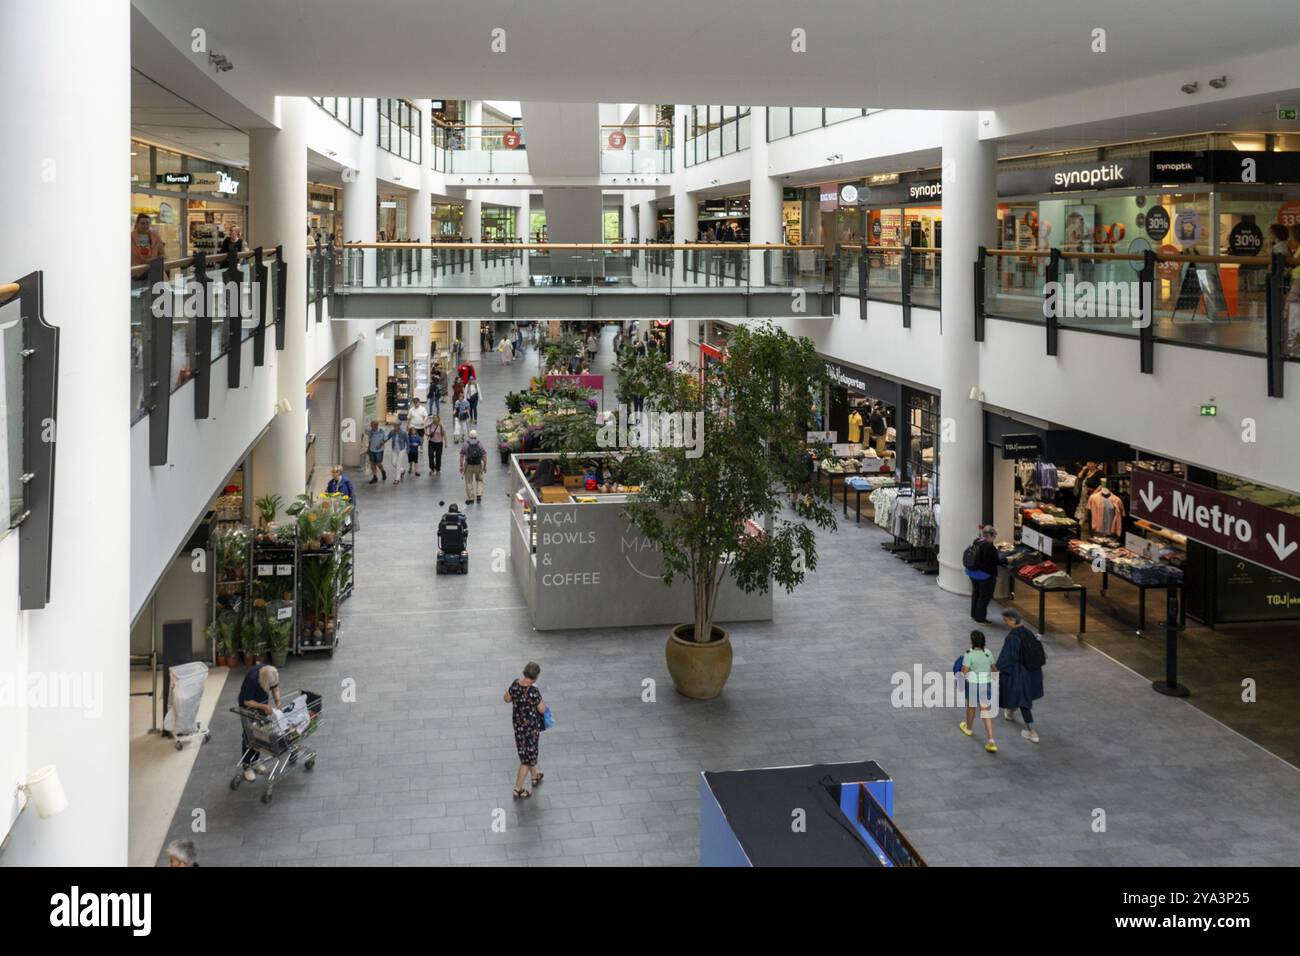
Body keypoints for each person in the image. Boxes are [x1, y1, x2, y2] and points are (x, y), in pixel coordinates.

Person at [997, 609, 1045, 744]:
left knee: (1022, 700)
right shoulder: (1029, 633)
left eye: (1006, 620)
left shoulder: (1012, 637)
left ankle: (1031, 731)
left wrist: (996, 668)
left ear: (1013, 620)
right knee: (1021, 695)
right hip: (1033, 671)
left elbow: (1007, 658)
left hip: (1018, 673)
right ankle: (1010, 711)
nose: (1005, 622)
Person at [504, 661, 547, 799]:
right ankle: (518, 789)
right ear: (535, 677)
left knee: (527, 752)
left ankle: (534, 777)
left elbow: (506, 698)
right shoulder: (533, 691)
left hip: (518, 727)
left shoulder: (516, 684)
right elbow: (542, 709)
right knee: (527, 759)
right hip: (531, 728)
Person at [237, 663, 281, 781]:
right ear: (265, 682)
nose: (271, 688)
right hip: (248, 707)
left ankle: (255, 761)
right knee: (249, 735)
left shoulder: (271, 672)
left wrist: (277, 700)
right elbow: (247, 701)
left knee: (260, 734)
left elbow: (275, 688)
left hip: (261, 705)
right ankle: (246, 766)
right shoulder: (253, 679)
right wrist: (264, 707)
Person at [959, 630, 999, 753]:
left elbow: (964, 672)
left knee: (971, 707)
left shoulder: (969, 654)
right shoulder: (988, 653)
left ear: (972, 641)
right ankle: (991, 740)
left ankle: (969, 728)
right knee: (985, 711)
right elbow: (994, 669)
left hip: (973, 684)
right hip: (985, 684)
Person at [964, 525, 1001, 624]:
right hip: (985, 576)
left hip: (972, 572)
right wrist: (1007, 559)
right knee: (984, 597)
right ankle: (980, 619)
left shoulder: (977, 541)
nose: (994, 539)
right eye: (994, 537)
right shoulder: (989, 547)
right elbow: (997, 561)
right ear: (990, 535)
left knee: (976, 593)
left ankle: (974, 614)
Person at [460, 428, 488, 504]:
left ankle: (471, 498)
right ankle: (478, 495)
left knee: (468, 481)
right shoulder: (479, 444)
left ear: (469, 436)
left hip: (468, 465)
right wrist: (485, 466)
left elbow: (461, 455)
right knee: (479, 480)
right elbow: (484, 456)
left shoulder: (465, 444)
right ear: (476, 436)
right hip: (478, 465)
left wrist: (461, 466)